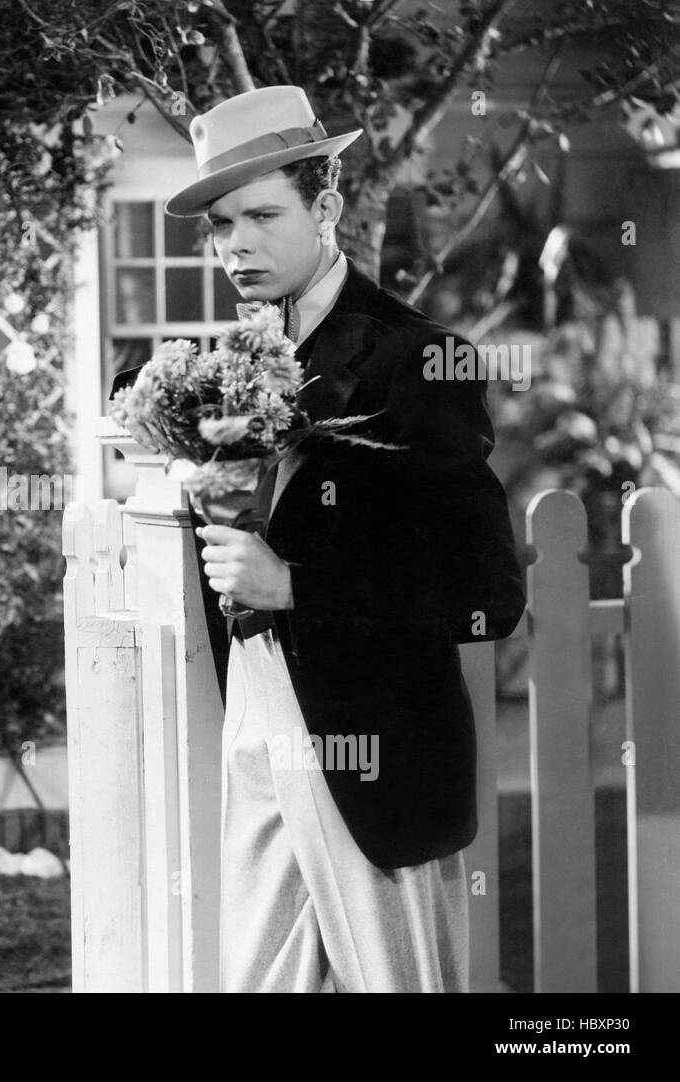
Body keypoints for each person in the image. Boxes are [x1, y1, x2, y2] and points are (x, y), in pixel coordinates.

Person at [111, 86, 526, 992]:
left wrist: (301, 587)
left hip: (374, 742)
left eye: (262, 216)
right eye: (221, 227)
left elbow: (488, 589)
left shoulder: (414, 356)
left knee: (398, 981)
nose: (236, 247)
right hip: (258, 708)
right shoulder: (236, 364)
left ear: (328, 207)